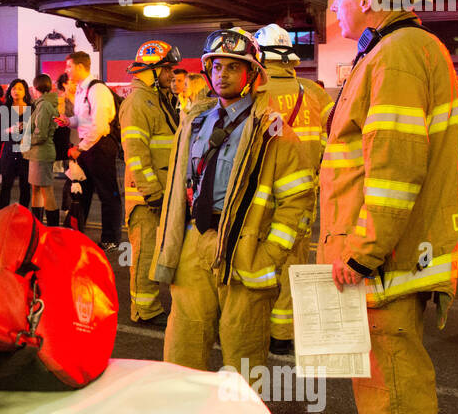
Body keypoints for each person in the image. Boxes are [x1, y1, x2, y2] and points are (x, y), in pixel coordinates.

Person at [318, 0, 458, 414]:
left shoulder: (398, 55)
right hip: (374, 262)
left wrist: (365, 252)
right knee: (377, 389)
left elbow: (394, 171)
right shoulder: (389, 53)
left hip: (384, 267)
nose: (335, 9)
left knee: (396, 394)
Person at [150, 28, 314, 379]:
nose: (221, 75)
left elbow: (298, 202)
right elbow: (178, 193)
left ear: (252, 74)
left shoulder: (274, 132)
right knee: (182, 352)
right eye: (216, 66)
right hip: (194, 243)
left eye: (232, 68)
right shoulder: (194, 123)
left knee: (243, 357)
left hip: (243, 250)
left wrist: (268, 255)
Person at [253, 23, 336, 356]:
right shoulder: (315, 92)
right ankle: (283, 334)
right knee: (293, 259)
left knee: (256, 256)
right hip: (303, 192)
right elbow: (338, 134)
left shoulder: (255, 91)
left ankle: (253, 325)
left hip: (261, 192)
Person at [120, 40, 181, 325]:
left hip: (161, 195)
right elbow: (135, 155)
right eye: (168, 69)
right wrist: (152, 192)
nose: (172, 75)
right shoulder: (137, 103)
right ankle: (144, 312)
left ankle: (151, 307)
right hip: (146, 199)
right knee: (145, 256)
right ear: (152, 70)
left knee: (156, 254)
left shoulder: (156, 99)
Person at [58, 51, 122, 250]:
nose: (66, 70)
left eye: (69, 66)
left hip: (100, 146)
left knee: (107, 194)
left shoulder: (98, 90)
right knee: (81, 192)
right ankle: (76, 234)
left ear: (79, 66)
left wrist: (80, 147)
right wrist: (69, 121)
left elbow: (100, 126)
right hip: (88, 145)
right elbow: (84, 120)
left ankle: (110, 239)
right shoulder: (80, 91)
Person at [23, 74, 61, 225]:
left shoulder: (44, 105)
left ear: (35, 87)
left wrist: (25, 140)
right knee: (37, 189)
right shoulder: (41, 104)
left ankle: (53, 228)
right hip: (37, 153)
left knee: (46, 190)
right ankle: (38, 225)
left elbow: (41, 134)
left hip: (41, 153)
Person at [0, 79, 32, 209]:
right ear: (10, 91)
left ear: (25, 92)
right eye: (14, 88)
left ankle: (23, 215)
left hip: (26, 152)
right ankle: (2, 215)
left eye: (20, 88)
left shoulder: (31, 108)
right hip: (9, 152)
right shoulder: (4, 109)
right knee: (6, 186)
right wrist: (10, 130)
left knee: (25, 187)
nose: (16, 91)